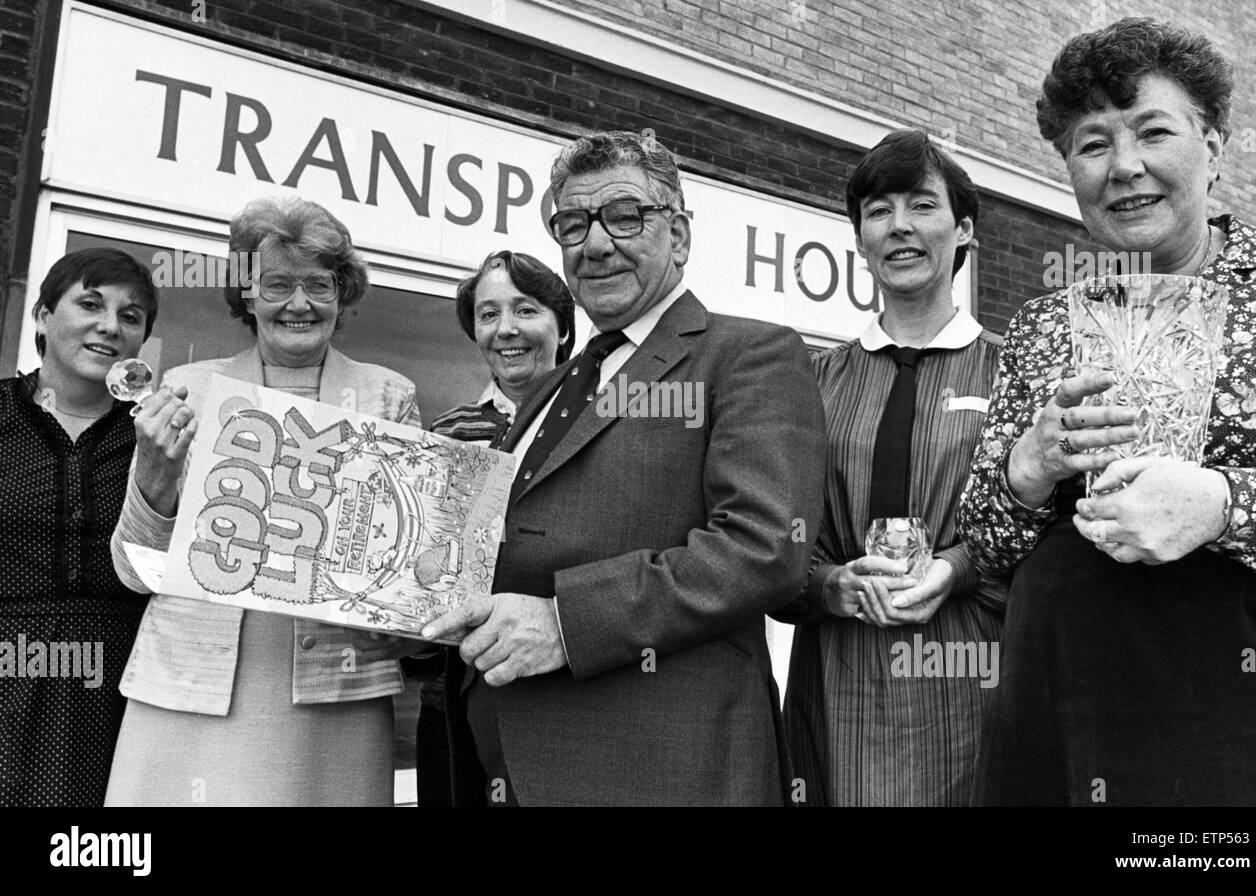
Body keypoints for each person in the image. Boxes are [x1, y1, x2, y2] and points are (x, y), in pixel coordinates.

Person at [422, 130, 827, 806]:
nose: (596, 242)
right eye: (573, 223)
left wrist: (565, 624)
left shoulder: (749, 354)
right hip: (502, 761)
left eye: (625, 215)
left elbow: (763, 548)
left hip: (661, 774)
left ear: (680, 236)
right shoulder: (551, 388)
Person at [958, 17, 1256, 806]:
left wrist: (1222, 505)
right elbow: (986, 540)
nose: (1125, 166)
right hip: (1064, 702)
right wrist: (1030, 466)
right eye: (1092, 144)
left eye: (1153, 130)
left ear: (1213, 145)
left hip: (1251, 706)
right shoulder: (1046, 321)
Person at [106, 196, 421, 806]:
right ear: (246, 295)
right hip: (190, 688)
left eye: (318, 285)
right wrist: (153, 478)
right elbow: (133, 572)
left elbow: (408, 579)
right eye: (276, 283)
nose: (298, 303)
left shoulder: (388, 397)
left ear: (342, 295)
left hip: (337, 695)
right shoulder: (186, 393)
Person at [776, 130, 1005, 806]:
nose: (899, 226)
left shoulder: (1013, 369)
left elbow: (1043, 532)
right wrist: (827, 584)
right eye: (878, 210)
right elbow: (770, 539)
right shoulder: (813, 380)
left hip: (972, 674)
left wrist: (958, 567)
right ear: (859, 238)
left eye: (921, 205)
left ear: (963, 229)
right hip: (837, 678)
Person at [413, 250, 574, 807]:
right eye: (487, 315)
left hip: (562, 693)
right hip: (453, 696)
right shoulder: (447, 432)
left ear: (562, 325)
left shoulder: (598, 424)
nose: (505, 329)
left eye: (525, 310)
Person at [0, 248, 158, 806]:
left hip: (123, 685)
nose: (110, 326)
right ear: (43, 316)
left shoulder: (157, 438)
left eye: (130, 317)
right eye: (90, 304)